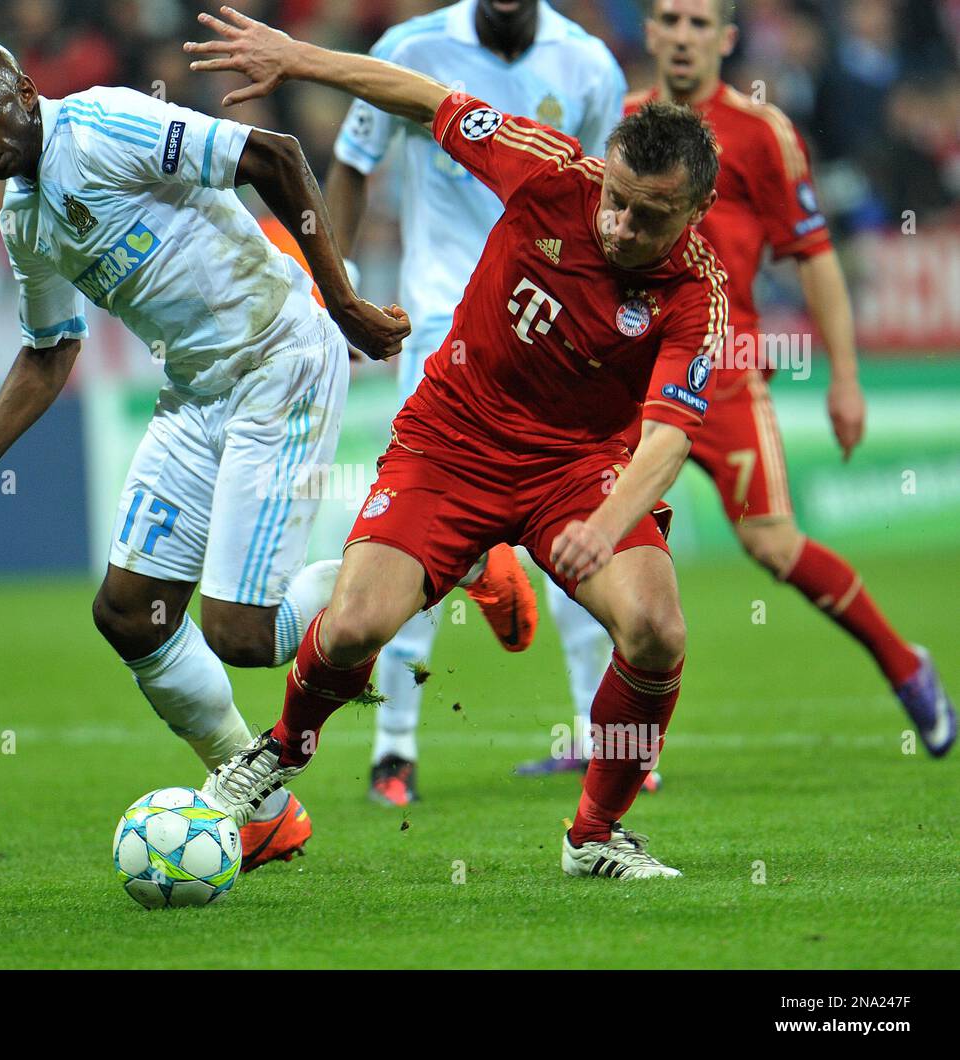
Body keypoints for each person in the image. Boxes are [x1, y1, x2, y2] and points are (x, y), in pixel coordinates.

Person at [185, 7, 729, 878]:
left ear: (698, 208)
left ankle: (594, 837)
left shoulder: (699, 296)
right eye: (616, 201)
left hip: (579, 471)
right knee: (357, 623)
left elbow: (667, 439)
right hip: (454, 439)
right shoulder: (551, 170)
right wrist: (297, 58)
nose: (621, 226)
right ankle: (279, 752)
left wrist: (611, 518)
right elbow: (422, 95)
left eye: (650, 217)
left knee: (658, 631)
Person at [0, 40, 411, 870]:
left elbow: (272, 156)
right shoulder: (22, 218)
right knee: (129, 610)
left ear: (26, 92)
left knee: (242, 634)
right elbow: (49, 349)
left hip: (278, 356)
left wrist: (341, 297)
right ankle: (266, 811)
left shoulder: (105, 123)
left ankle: (423, 564)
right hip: (196, 393)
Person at [514, 0, 955, 776]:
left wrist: (845, 378)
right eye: (669, 20)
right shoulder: (615, 128)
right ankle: (613, 745)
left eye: (699, 23)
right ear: (649, 34)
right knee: (602, 542)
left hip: (721, 376)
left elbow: (813, 254)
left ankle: (903, 663)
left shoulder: (763, 133)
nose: (682, 36)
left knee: (771, 544)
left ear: (725, 38)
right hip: (624, 378)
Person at [324, 0, 635, 806]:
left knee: (582, 535)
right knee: (416, 549)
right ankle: (394, 751)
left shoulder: (590, 65)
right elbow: (353, 165)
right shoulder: (410, 47)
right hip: (445, 325)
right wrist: (331, 291)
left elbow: (617, 201)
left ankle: (600, 737)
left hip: (559, 330)